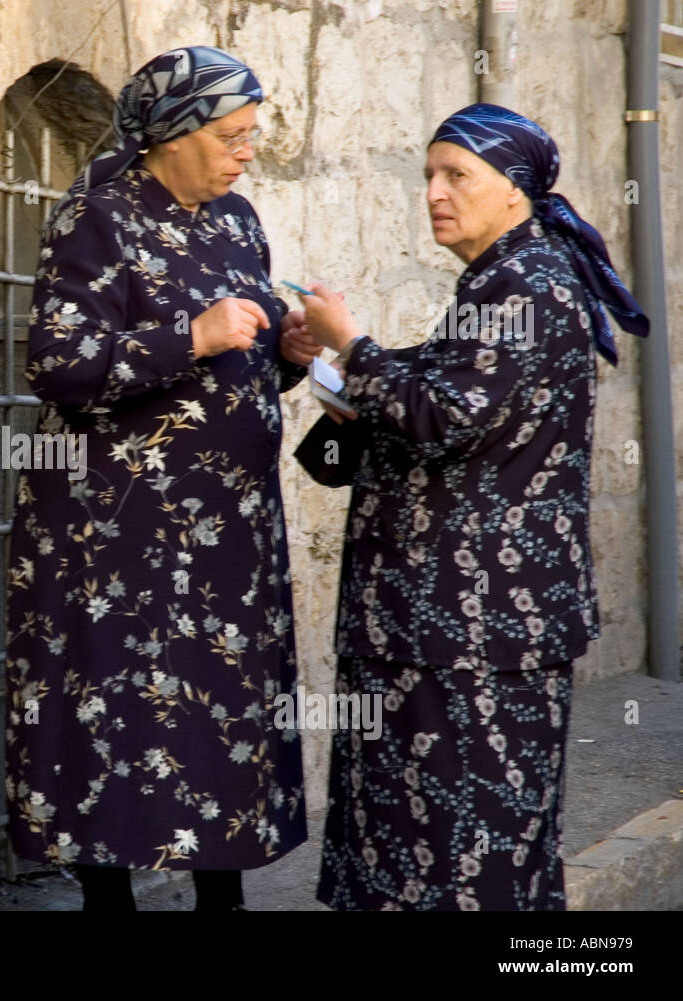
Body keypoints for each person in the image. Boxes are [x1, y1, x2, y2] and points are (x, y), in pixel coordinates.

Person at [292, 103, 648, 910]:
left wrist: (352, 344)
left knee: (460, 853)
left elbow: (444, 417)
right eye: (428, 175)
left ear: (515, 192)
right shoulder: (502, 281)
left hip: (469, 630)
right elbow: (453, 410)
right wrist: (358, 392)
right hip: (445, 626)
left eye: (459, 175)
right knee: (449, 844)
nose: (435, 193)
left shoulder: (523, 284)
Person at [3, 45, 321, 911]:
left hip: (226, 534)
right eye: (230, 134)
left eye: (252, 133)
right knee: (112, 711)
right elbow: (60, 364)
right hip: (116, 536)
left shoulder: (238, 220)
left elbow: (237, 365)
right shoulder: (96, 218)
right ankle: (110, 901)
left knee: (221, 711)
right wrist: (191, 336)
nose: (245, 149)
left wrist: (284, 357)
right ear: (172, 135)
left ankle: (222, 901)